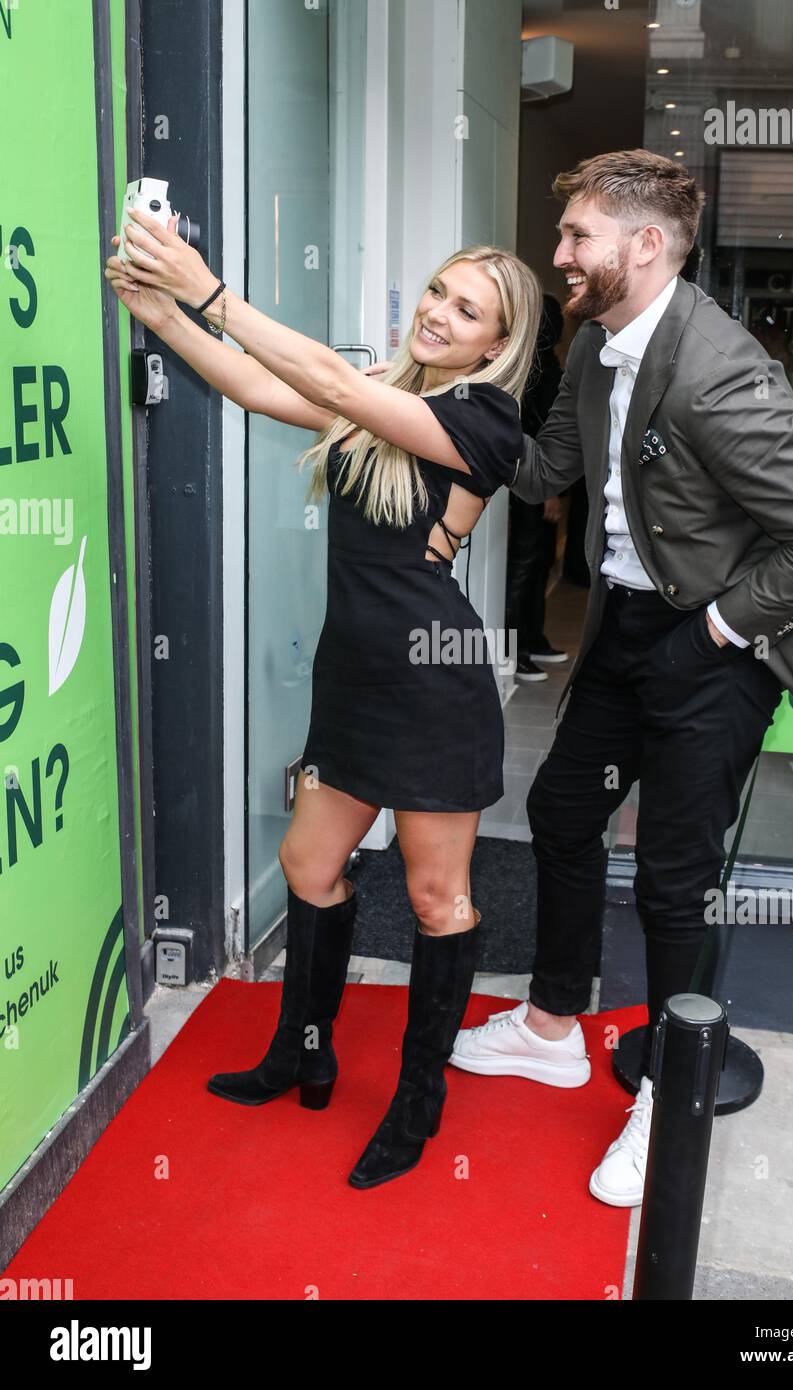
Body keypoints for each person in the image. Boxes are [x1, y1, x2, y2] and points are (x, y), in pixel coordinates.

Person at [449, 149, 793, 1206]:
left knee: (676, 876)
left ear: (646, 245)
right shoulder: (597, 344)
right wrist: (459, 385)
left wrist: (717, 633)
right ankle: (552, 1024)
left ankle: (668, 1097)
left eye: (576, 237)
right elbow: (547, 471)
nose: (558, 257)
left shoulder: (718, 371)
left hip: (714, 650)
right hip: (627, 627)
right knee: (558, 811)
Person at [104, 210, 541, 1189]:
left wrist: (208, 289)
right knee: (307, 861)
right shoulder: (391, 393)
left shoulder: (483, 421)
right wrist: (164, 315)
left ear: (496, 343)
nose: (437, 313)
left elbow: (329, 378)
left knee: (438, 898)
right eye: (437, 291)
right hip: (355, 679)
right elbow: (265, 386)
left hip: (433, 689)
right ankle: (304, 1046)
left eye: (465, 309)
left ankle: (417, 1104)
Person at [506, 293, 570, 680]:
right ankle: (515, 653)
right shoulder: (533, 368)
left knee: (539, 562)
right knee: (524, 566)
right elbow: (537, 431)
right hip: (531, 481)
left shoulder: (543, 362)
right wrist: (550, 491)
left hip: (537, 479)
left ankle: (533, 639)